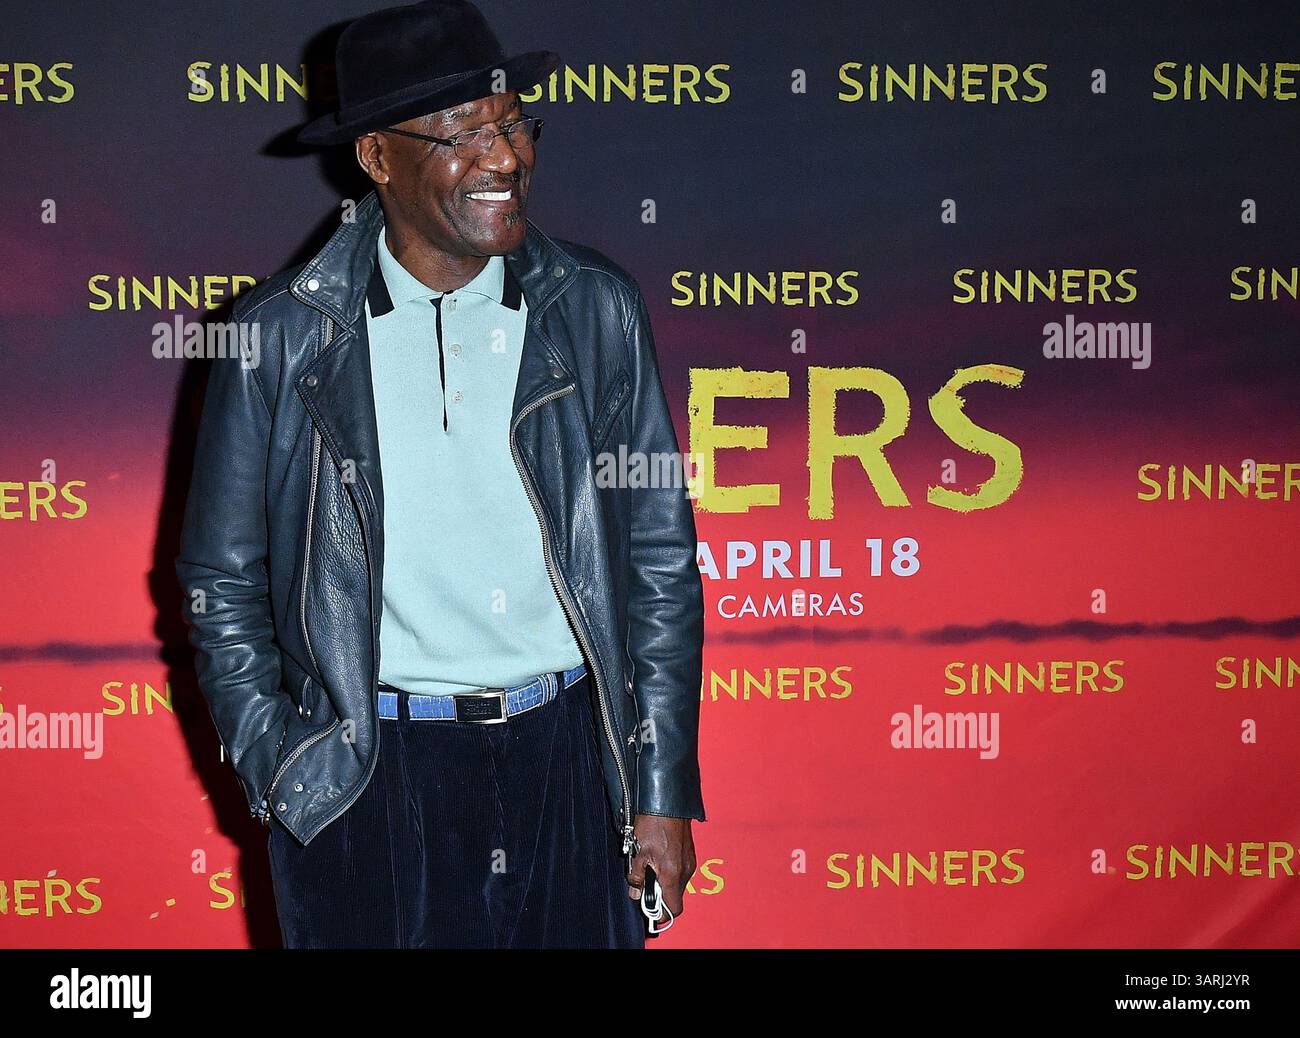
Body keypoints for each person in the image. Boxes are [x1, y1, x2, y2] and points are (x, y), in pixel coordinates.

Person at [175, 0, 706, 948]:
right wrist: (285, 765)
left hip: (569, 765)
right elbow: (220, 583)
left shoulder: (595, 311)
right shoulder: (279, 338)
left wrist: (659, 790)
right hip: (367, 775)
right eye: (465, 135)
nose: (505, 159)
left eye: (512, 125)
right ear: (376, 158)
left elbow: (659, 562)